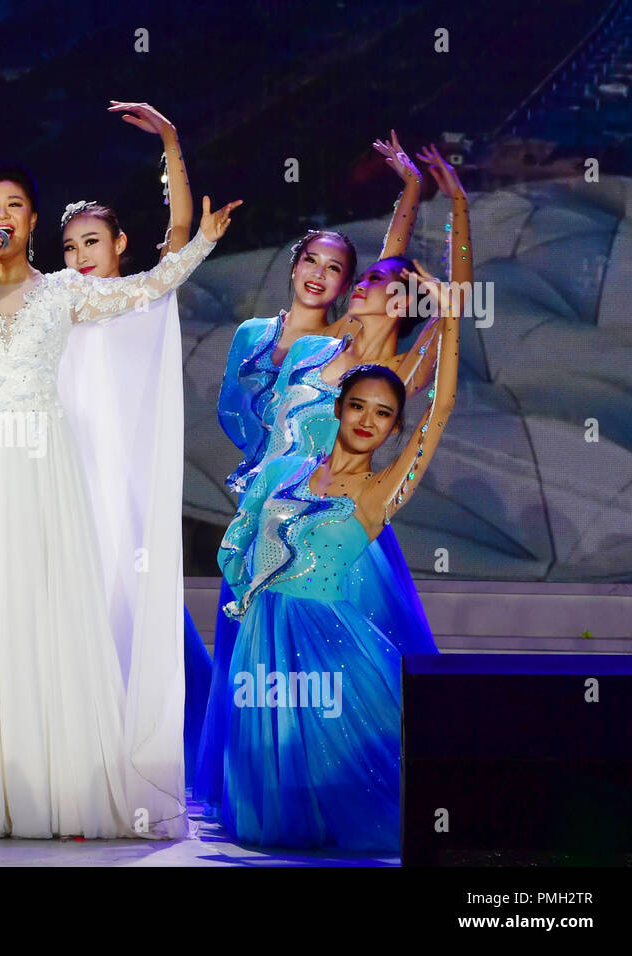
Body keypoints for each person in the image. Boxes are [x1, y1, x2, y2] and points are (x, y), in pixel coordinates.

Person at [0, 159, 239, 839]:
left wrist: (200, 243)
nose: (1, 216)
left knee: (44, 612)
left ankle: (57, 786)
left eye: (13, 204)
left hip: (44, 471)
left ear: (33, 220)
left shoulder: (63, 291)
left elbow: (148, 287)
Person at [195, 137, 460, 810]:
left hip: (333, 535)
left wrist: (437, 200)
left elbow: (423, 294)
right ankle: (265, 795)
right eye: (320, 264)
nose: (363, 283)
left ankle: (338, 800)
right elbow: (385, 276)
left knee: (339, 686)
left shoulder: (388, 371)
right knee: (258, 671)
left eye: (351, 273)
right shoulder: (313, 346)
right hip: (269, 518)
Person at [216, 270, 459, 849]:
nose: (367, 421)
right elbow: (243, 544)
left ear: (394, 428)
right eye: (357, 406)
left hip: (331, 646)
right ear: (339, 409)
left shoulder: (378, 494)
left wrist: (451, 319)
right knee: (273, 807)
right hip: (263, 640)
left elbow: (441, 409)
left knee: (347, 793)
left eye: (383, 414)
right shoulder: (284, 469)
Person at [58, 101, 213, 784]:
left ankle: (141, 755)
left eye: (92, 242)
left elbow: (179, 230)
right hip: (70, 479)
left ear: (120, 243)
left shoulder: (149, 295)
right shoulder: (56, 305)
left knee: (131, 605)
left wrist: (171, 140)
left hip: (126, 487)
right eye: (70, 247)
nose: (80, 257)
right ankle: (81, 758)